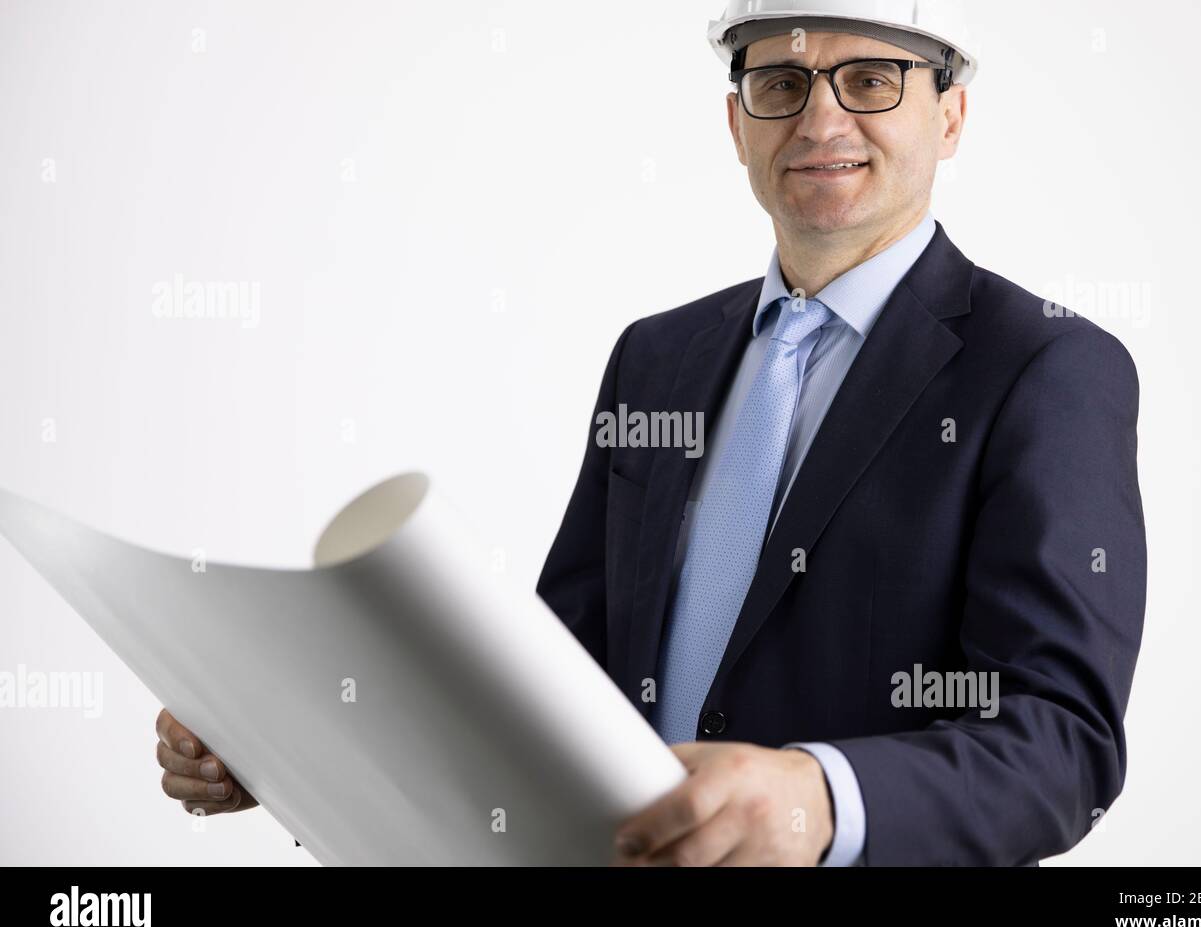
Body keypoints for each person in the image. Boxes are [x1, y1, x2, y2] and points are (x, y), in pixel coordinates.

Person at [156, 0, 1147, 867]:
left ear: (951, 112)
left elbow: (1061, 742)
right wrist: (293, 744)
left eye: (870, 78)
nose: (821, 117)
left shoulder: (1043, 367)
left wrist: (818, 798)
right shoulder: (658, 357)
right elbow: (549, 685)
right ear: (735, 121)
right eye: (782, 81)